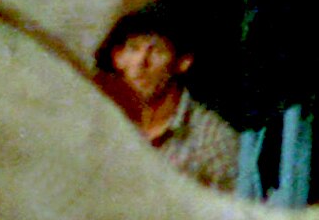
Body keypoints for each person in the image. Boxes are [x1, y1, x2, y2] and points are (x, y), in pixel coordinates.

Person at [100, 10, 243, 196]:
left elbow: (236, 208)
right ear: (118, 58)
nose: (141, 62)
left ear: (182, 62)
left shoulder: (211, 138)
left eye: (156, 51)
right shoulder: (103, 123)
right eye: (134, 49)